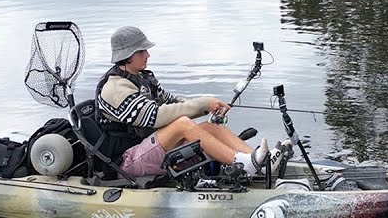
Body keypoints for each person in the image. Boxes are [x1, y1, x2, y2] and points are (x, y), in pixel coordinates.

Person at [96, 26, 268, 178]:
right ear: (127, 56)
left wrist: (207, 107)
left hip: (148, 147)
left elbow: (170, 101)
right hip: (126, 161)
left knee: (211, 127)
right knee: (182, 124)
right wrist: (201, 105)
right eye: (142, 51)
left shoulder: (142, 78)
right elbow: (154, 116)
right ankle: (243, 164)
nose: (147, 55)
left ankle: (260, 163)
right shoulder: (114, 88)